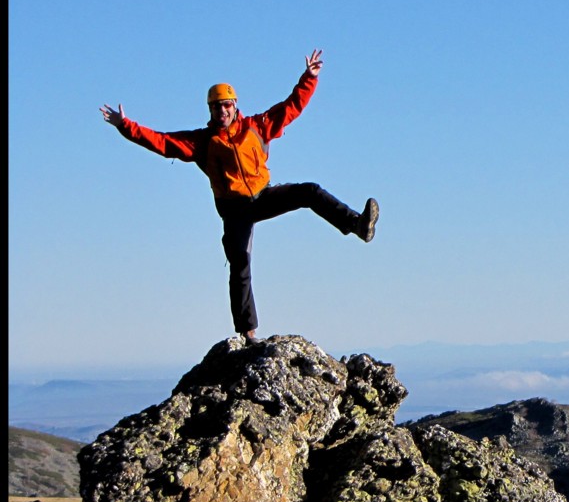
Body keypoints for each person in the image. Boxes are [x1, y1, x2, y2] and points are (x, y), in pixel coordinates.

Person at [101, 49, 378, 342]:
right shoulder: (203, 142)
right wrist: (125, 126)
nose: (221, 111)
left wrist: (309, 78)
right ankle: (248, 333)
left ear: (235, 107)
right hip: (234, 209)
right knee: (240, 262)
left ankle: (357, 225)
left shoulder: (256, 127)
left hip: (262, 196)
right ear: (210, 111)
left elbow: (291, 107)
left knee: (310, 192)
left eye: (226, 106)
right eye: (216, 107)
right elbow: (162, 142)